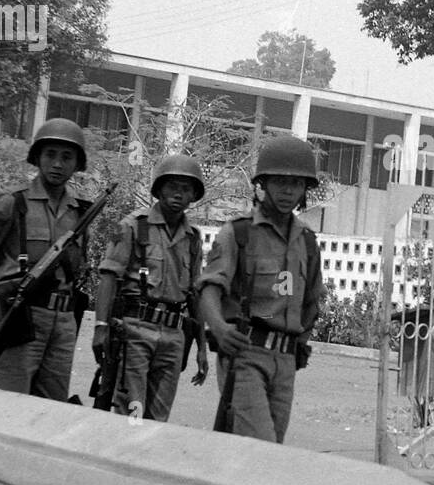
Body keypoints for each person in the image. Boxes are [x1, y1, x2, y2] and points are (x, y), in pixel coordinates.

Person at [197, 136, 324, 443]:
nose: (288, 191)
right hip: (246, 353)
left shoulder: (307, 240)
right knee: (259, 443)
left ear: (305, 189)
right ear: (263, 183)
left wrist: (300, 343)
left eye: (296, 183)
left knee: (268, 452)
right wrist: (218, 328)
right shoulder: (238, 233)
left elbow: (312, 301)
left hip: (285, 361)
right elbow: (209, 289)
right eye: (280, 181)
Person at [0, 118, 91, 400]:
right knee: (8, 403)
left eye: (67, 157)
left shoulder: (80, 213)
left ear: (77, 164)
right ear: (37, 158)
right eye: (50, 155)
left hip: (63, 321)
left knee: (51, 408)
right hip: (21, 315)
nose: (58, 164)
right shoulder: (11, 202)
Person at [93, 154, 209, 422]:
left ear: (194, 195)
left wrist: (202, 347)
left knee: (159, 419)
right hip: (135, 330)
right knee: (132, 413)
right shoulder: (132, 225)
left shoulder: (193, 239)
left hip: (173, 336)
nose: (179, 194)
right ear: (159, 189)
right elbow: (109, 276)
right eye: (172, 186)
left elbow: (195, 294)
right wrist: (100, 327)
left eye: (186, 188)